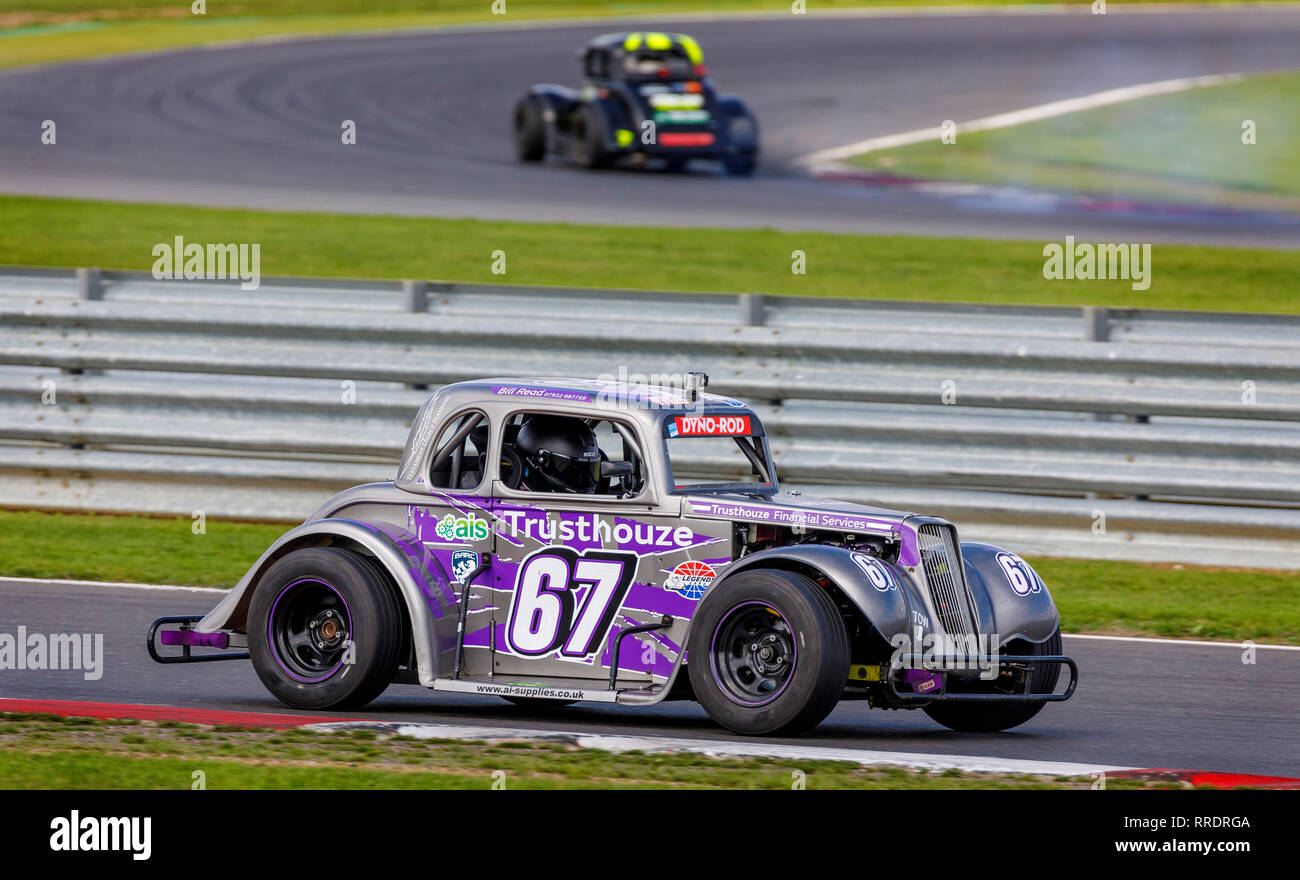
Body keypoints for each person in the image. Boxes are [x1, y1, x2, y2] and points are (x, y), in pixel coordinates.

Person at [511, 414, 603, 493]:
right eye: (572, 472)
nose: (583, 481)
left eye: (589, 470)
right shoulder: (513, 505)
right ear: (538, 461)